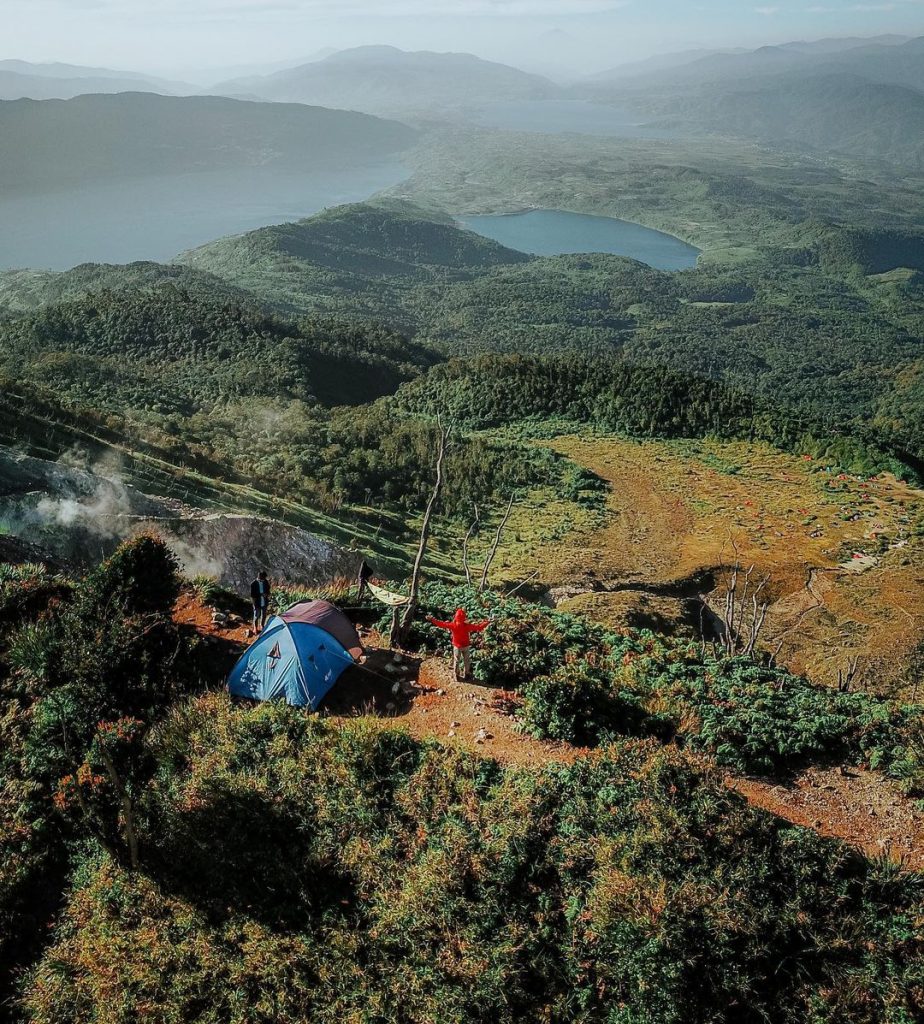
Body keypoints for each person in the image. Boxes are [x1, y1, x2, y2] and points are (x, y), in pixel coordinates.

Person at [427, 607, 490, 682]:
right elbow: (479, 627)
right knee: (467, 661)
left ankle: (456, 675)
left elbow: (442, 624)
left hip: (457, 646)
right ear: (464, 618)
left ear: (456, 617)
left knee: (457, 661)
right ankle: (467, 674)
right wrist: (487, 622)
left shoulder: (453, 625)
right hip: (466, 646)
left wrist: (432, 619)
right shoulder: (467, 626)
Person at [250, 570, 271, 634]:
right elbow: (252, 595)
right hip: (257, 602)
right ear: (260, 576)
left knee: (264, 615)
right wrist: (254, 603)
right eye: (263, 577)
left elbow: (268, 590)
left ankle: (262, 625)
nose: (264, 579)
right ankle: (255, 628)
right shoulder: (253, 584)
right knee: (257, 615)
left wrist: (266, 594)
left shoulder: (266, 582)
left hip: (264, 601)